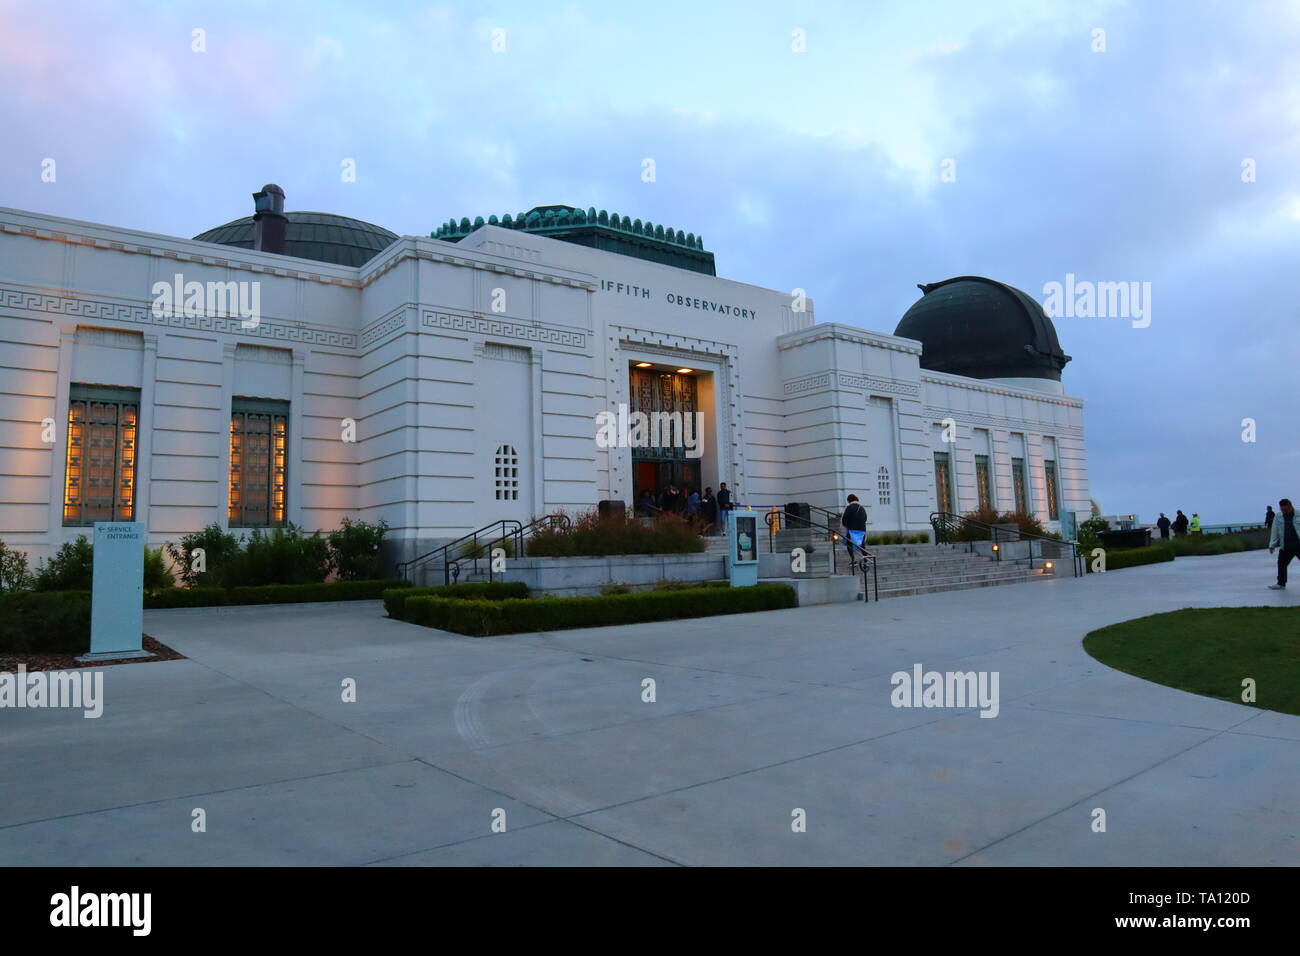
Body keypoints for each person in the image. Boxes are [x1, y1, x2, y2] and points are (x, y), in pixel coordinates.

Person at [1268, 499, 1300, 589]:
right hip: (1286, 546)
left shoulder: (1298, 514)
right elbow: (1274, 531)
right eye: (1282, 510)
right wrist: (1272, 545)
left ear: (1291, 506)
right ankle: (1281, 583)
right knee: (1281, 564)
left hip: (1298, 545)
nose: (1284, 512)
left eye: (1285, 510)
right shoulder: (1278, 516)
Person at [840, 493, 868, 563]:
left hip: (852, 530)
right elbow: (865, 518)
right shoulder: (862, 508)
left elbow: (844, 519)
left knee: (849, 544)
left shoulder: (849, 507)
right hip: (862, 530)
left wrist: (847, 524)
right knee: (862, 545)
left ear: (849, 501)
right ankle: (865, 560)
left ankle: (853, 560)